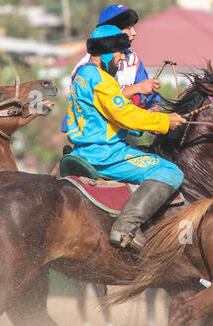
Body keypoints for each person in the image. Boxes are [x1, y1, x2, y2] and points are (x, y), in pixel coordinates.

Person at [64, 25, 187, 251]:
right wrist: (164, 122)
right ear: (108, 51)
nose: (122, 58)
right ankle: (126, 227)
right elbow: (125, 114)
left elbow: (108, 117)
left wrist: (144, 123)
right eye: (120, 53)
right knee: (171, 171)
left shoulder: (82, 74)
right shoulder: (102, 80)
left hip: (82, 149)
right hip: (106, 155)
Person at [62, 3, 162, 138]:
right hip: (93, 138)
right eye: (128, 28)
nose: (134, 32)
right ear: (110, 31)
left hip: (121, 134)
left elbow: (150, 97)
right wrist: (136, 89)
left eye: (134, 27)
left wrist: (155, 110)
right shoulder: (86, 68)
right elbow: (103, 107)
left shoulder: (133, 60)